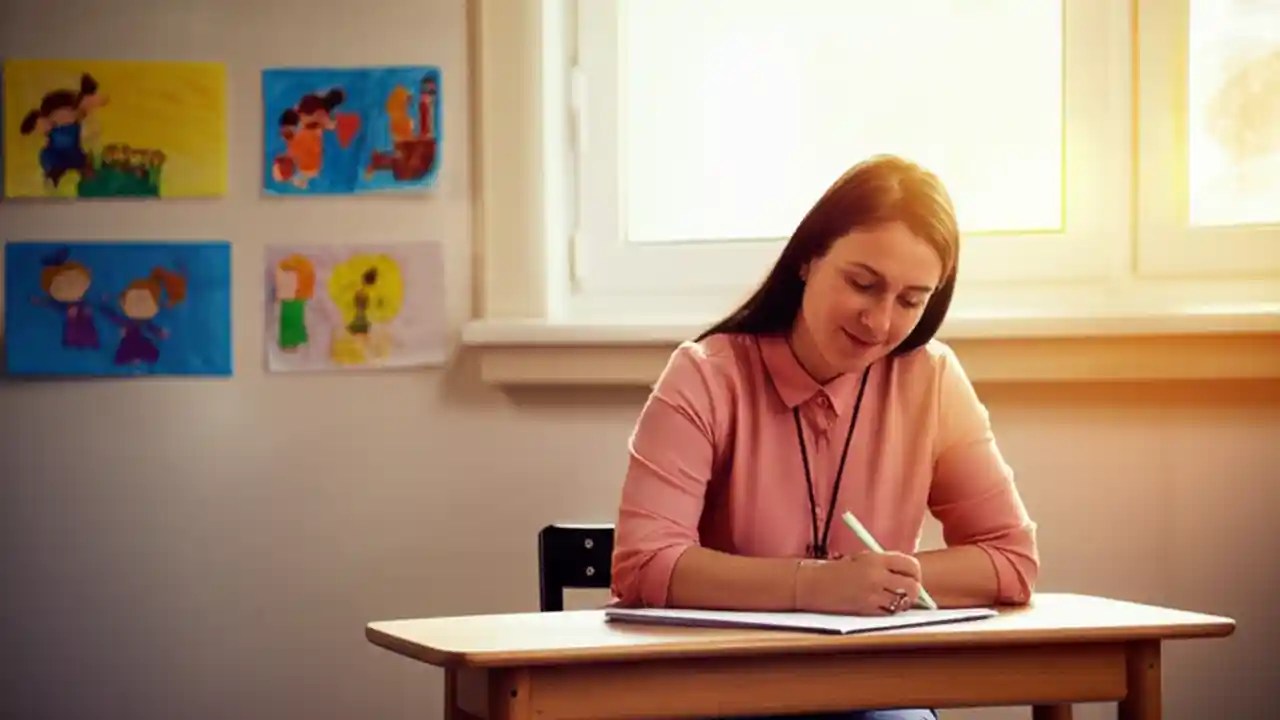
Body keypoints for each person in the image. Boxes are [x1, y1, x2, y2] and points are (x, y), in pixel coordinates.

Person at [610, 155, 1039, 720]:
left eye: (911, 300)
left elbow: (1011, 561)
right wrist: (814, 586)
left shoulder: (931, 378)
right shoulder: (703, 375)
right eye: (863, 284)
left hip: (867, 690)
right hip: (715, 689)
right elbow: (644, 565)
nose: (880, 323)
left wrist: (877, 585)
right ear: (809, 259)